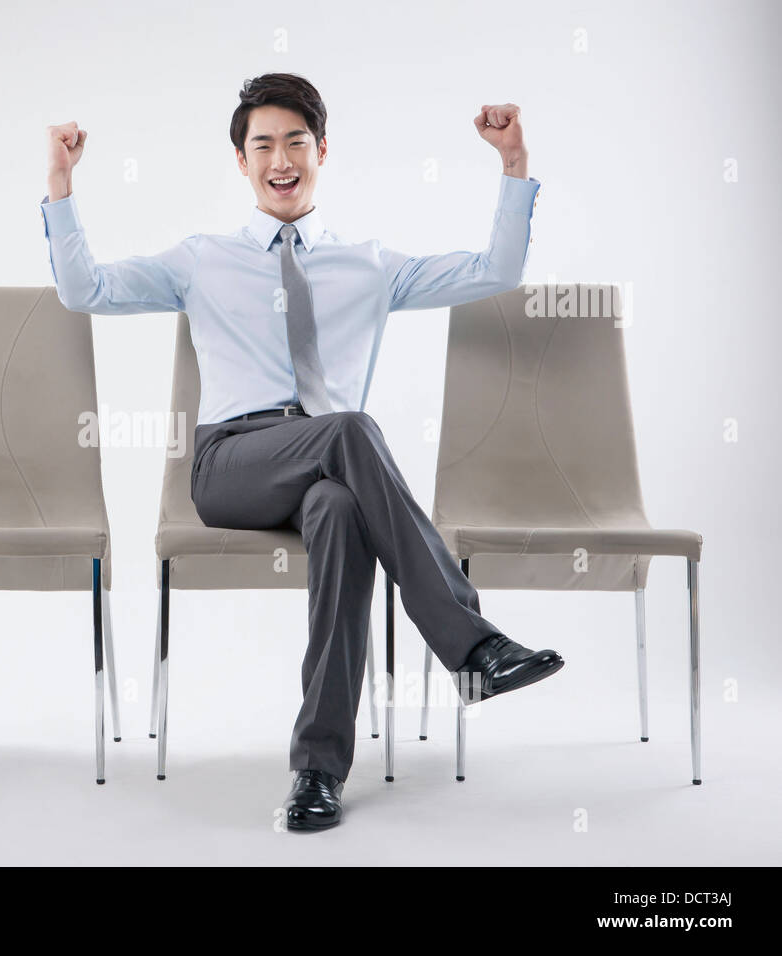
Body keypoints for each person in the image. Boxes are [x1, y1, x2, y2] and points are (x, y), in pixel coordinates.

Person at [39, 73, 563, 831]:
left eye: (294, 142)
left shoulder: (371, 263)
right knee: (350, 428)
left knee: (344, 509)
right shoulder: (202, 259)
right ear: (243, 164)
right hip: (231, 465)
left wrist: (512, 164)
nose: (279, 158)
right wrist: (60, 183)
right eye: (262, 145)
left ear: (321, 151)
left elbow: (495, 272)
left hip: (330, 472)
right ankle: (472, 648)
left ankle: (316, 772)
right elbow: (85, 290)